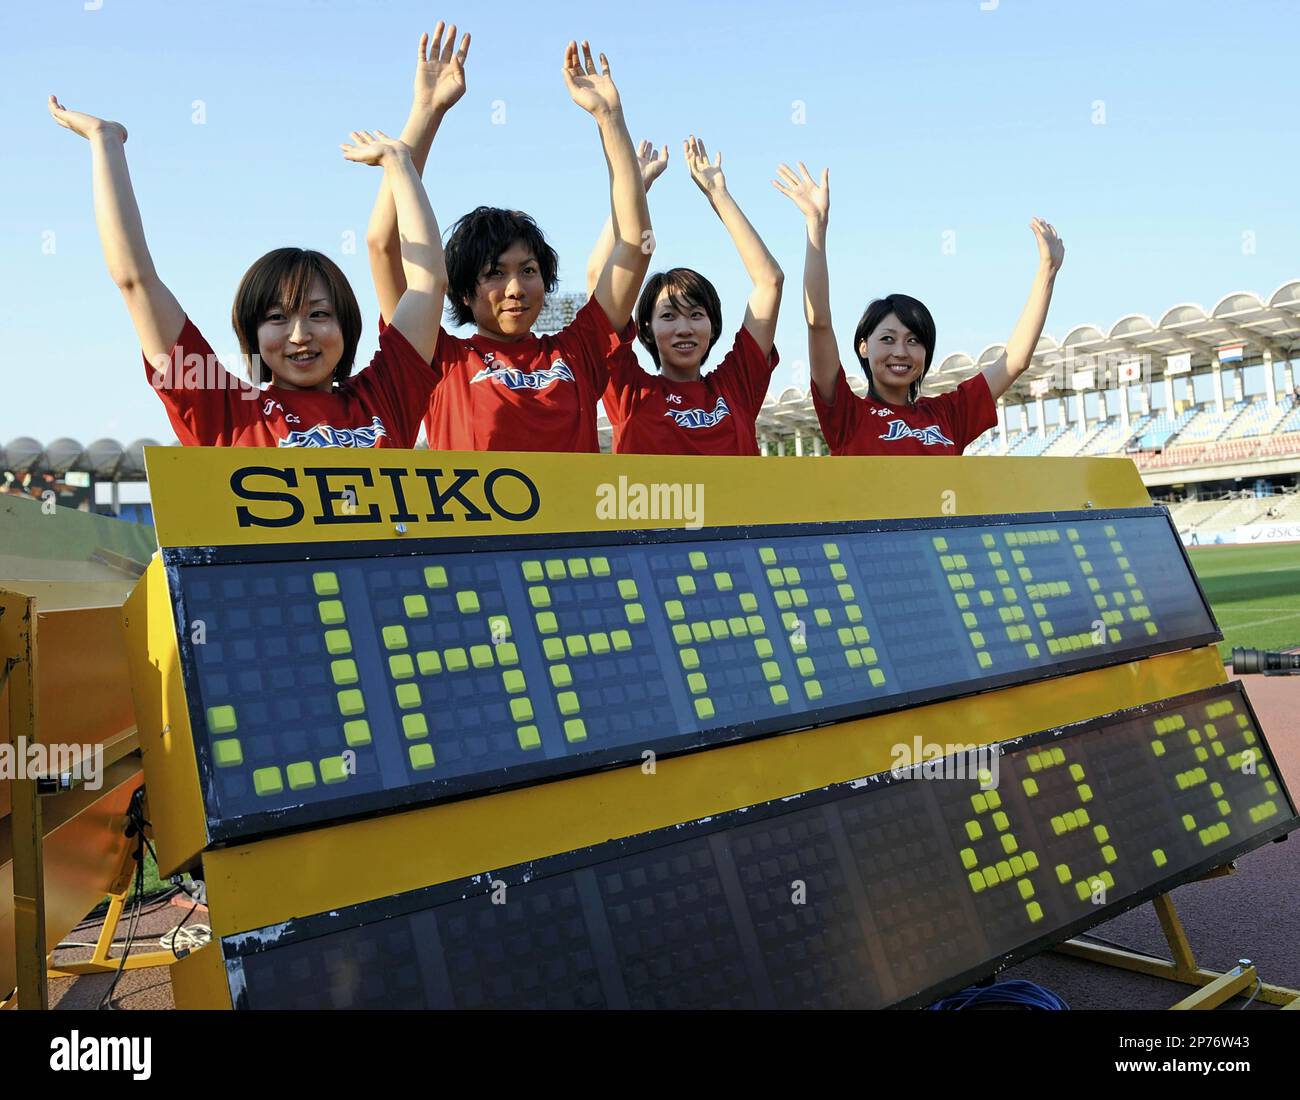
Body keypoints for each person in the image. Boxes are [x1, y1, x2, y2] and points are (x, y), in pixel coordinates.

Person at [48, 97, 446, 449]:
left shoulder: (385, 396)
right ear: (251, 332)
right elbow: (136, 280)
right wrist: (105, 143)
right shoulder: (222, 409)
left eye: (319, 314)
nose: (299, 334)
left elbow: (428, 283)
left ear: (347, 325)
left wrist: (399, 164)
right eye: (276, 317)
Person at [367, 30, 652, 452]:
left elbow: (635, 242)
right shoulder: (437, 358)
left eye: (529, 271)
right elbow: (384, 245)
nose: (516, 288)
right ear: (464, 292)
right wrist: (425, 114)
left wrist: (610, 119)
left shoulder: (578, 352)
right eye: (494, 274)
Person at [774, 162, 1065, 455]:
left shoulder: (949, 414)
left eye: (914, 340)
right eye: (887, 339)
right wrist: (816, 224)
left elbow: (1014, 361)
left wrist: (1047, 272)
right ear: (864, 347)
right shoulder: (846, 414)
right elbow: (818, 322)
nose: (900, 351)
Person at [586, 137, 782, 455]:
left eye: (695, 314)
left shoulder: (736, 387)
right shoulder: (628, 389)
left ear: (713, 325)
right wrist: (634, 189)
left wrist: (718, 195)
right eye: (668, 315)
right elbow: (598, 276)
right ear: (645, 327)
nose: (684, 328)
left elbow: (769, 281)